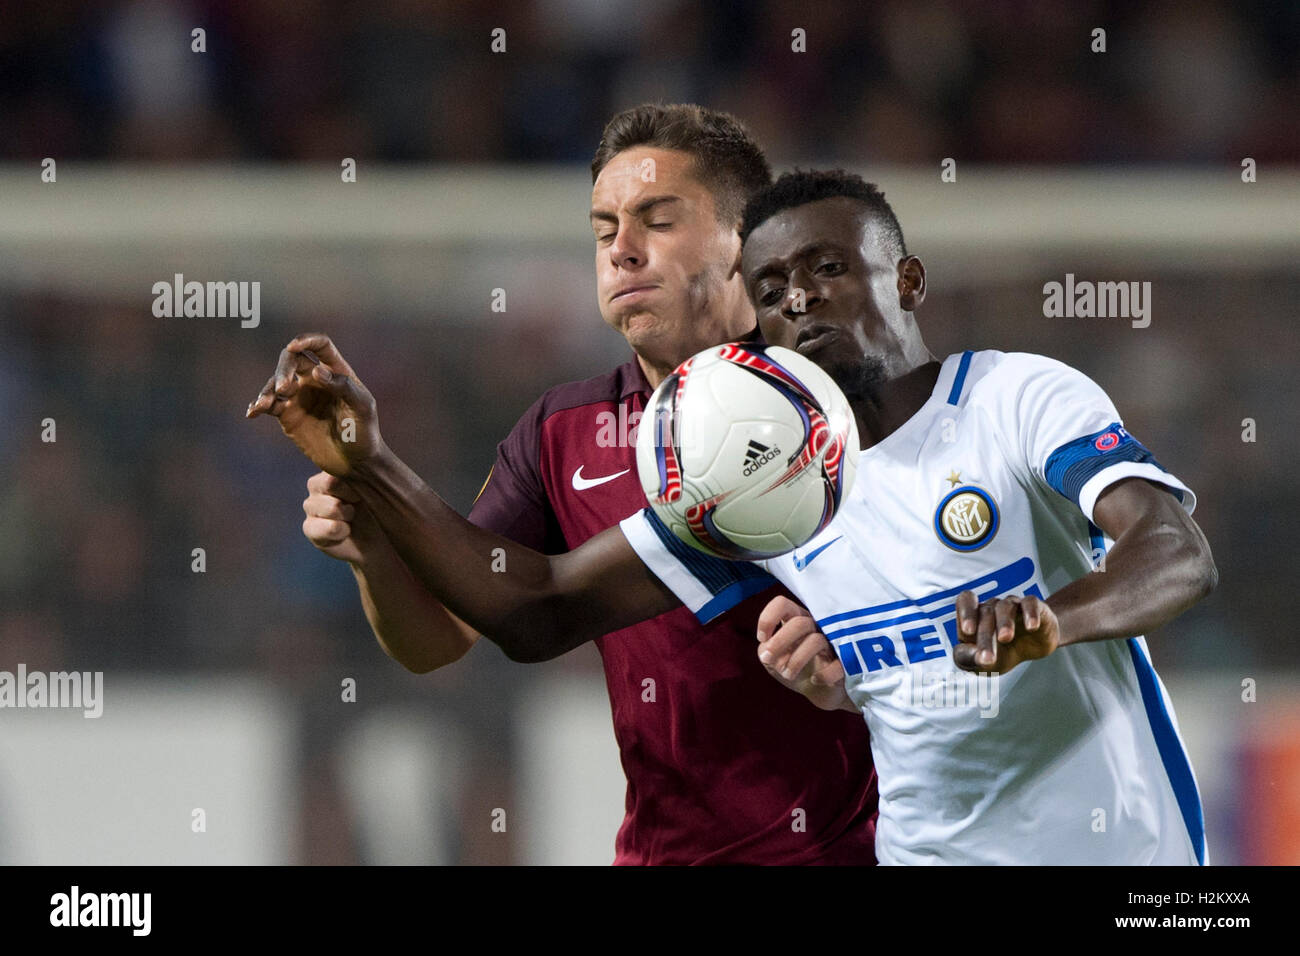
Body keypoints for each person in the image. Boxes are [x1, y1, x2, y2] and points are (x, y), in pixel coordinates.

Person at [248, 168, 1216, 864]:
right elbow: (538, 604)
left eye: (829, 267)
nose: (800, 298)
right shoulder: (770, 484)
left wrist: (1056, 616)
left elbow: (1173, 548)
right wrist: (374, 465)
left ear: (906, 280)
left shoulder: (1012, 398)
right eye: (773, 289)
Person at [260, 106, 879, 865]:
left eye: (657, 219)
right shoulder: (563, 431)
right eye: (603, 228)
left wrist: (380, 470)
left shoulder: (824, 410)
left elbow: (537, 613)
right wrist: (373, 543)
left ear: (743, 241)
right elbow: (436, 639)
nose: (621, 250)